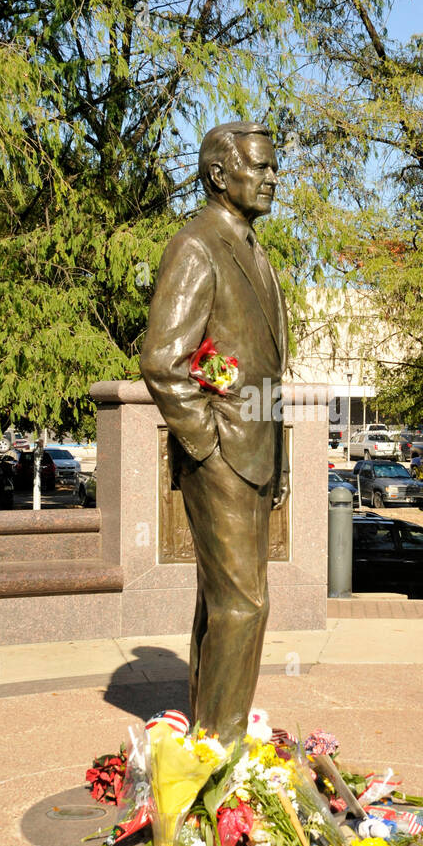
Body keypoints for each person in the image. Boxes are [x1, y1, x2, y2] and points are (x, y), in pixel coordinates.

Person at [140, 121, 289, 742]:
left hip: (255, 451)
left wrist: (274, 459)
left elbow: (265, 364)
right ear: (219, 175)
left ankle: (207, 739)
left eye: (272, 166)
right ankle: (221, 754)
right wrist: (207, 443)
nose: (272, 177)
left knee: (224, 604)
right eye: (259, 167)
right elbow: (162, 359)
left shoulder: (253, 249)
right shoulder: (197, 247)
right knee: (244, 605)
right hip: (223, 452)